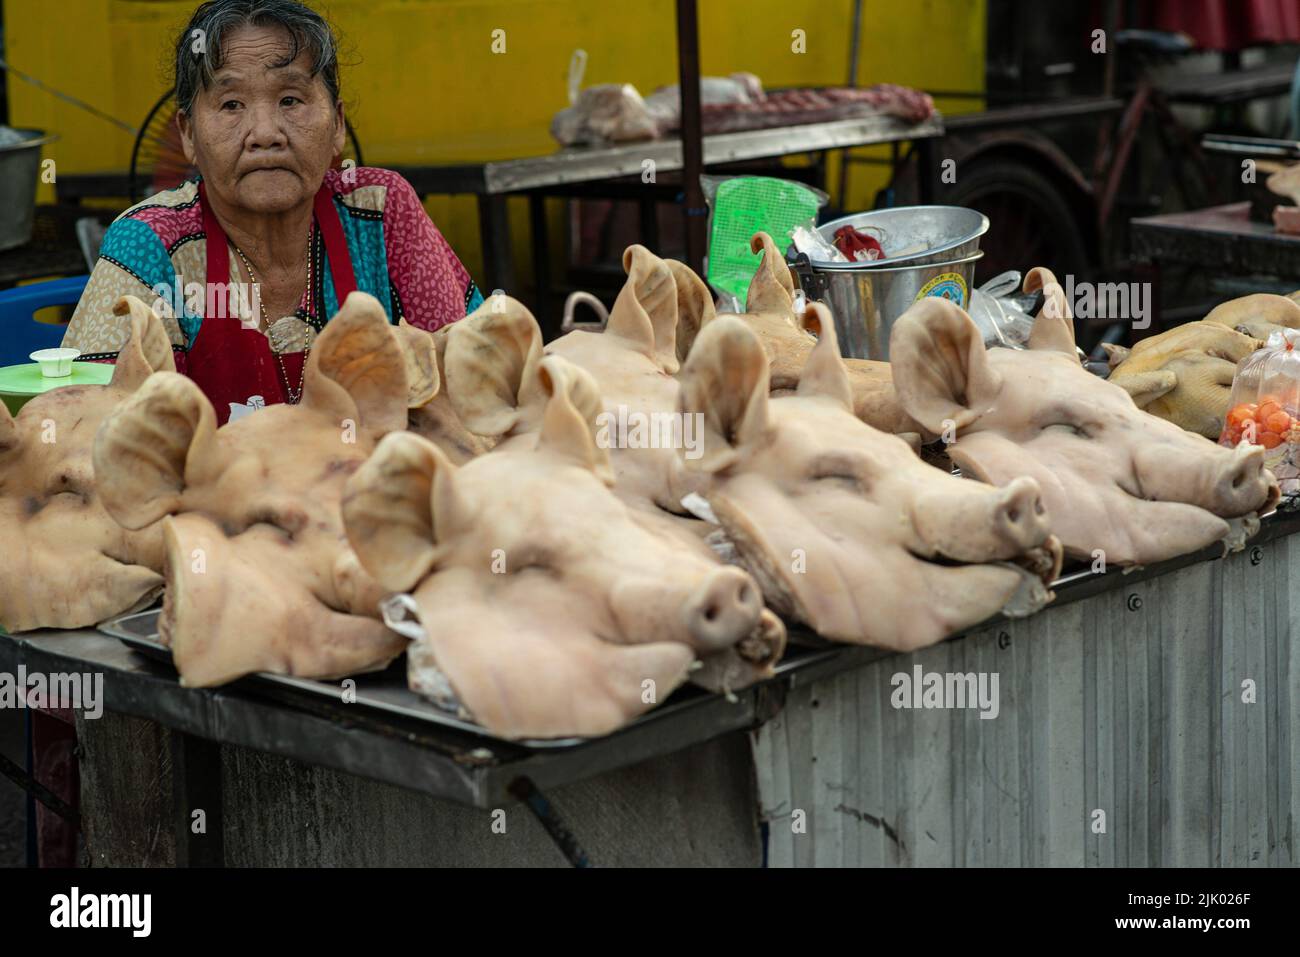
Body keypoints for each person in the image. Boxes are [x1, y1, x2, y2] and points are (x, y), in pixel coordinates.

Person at [63, 0, 483, 424]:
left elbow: (470, 387)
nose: (264, 134)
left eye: (290, 99)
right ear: (188, 134)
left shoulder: (379, 209)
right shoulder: (150, 242)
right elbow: (101, 433)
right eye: (230, 105)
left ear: (337, 124)